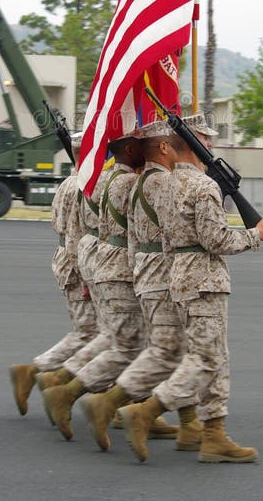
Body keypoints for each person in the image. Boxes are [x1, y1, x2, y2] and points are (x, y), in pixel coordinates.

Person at [119, 124, 263, 464]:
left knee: (212, 355)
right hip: (203, 279)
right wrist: (255, 235)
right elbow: (215, 239)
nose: (209, 143)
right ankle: (146, 412)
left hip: (177, 277)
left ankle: (213, 434)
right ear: (195, 144)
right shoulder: (202, 186)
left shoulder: (166, 183)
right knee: (206, 358)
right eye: (206, 140)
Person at [43, 133, 177, 442]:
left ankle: (117, 402)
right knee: (127, 345)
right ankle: (71, 390)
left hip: (98, 261)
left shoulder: (100, 180)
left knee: (123, 341)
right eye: (143, 147)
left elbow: (85, 229)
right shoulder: (128, 183)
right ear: (130, 149)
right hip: (120, 269)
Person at [82, 119, 202, 453]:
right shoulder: (161, 183)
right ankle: (96, 397)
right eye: (198, 140)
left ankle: (188, 422)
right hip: (162, 274)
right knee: (167, 350)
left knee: (168, 348)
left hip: (141, 271)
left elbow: (132, 237)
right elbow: (184, 233)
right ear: (165, 146)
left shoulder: (135, 181)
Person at [8, 132, 101, 415]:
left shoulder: (67, 183)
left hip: (67, 261)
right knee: (90, 333)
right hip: (77, 264)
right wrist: (86, 276)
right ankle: (36, 371)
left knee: (97, 333)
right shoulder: (82, 186)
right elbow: (76, 235)